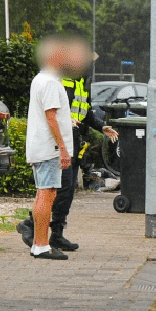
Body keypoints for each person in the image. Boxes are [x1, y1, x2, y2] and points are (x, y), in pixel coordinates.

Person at [18, 70, 118, 251]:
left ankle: (57, 234)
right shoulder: (59, 81)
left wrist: (102, 127)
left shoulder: (82, 84)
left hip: (76, 142)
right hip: (60, 142)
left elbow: (85, 113)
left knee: (67, 190)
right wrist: (65, 123)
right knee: (57, 190)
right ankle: (31, 225)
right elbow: (52, 112)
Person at [23, 36, 90, 260]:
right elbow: (51, 116)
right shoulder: (51, 82)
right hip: (49, 147)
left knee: (45, 193)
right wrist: (62, 148)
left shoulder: (41, 79)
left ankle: (37, 244)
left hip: (43, 145)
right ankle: (42, 245)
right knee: (47, 193)